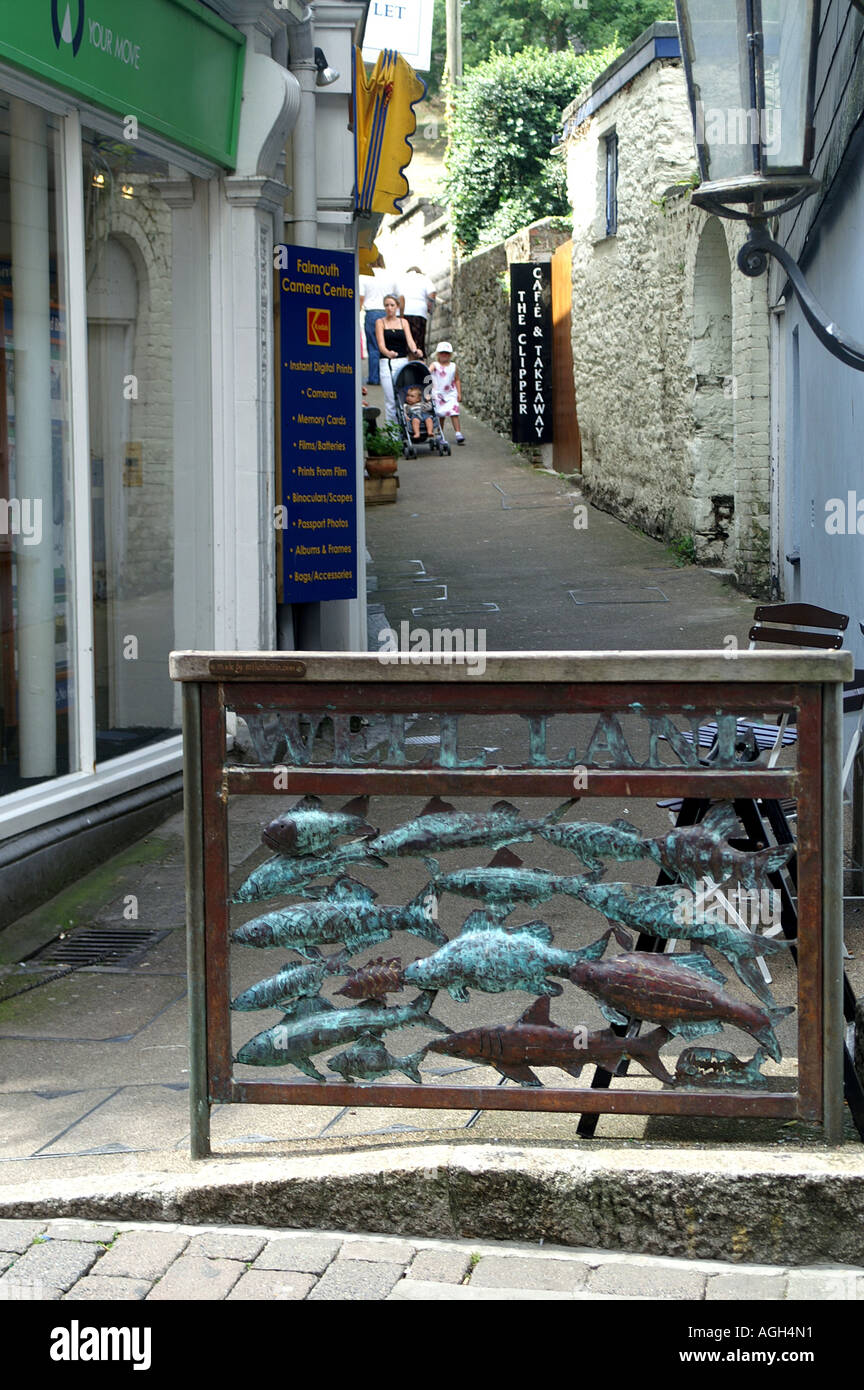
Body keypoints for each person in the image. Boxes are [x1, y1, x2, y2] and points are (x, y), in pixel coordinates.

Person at [375, 295, 421, 422]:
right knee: (390, 399)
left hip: (402, 362)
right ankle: (393, 436)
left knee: (402, 397)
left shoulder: (403, 322)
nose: (389, 308)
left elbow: (410, 341)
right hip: (387, 362)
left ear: (397, 307)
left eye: (392, 305)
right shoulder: (380, 322)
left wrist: (416, 350)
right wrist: (388, 353)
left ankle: (403, 431)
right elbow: (381, 345)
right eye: (386, 305)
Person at [359, 257, 396, 386]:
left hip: (372, 313)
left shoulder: (364, 275)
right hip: (387, 313)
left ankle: (374, 378)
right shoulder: (390, 275)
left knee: (374, 347)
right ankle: (386, 376)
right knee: (386, 346)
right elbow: (396, 296)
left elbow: (361, 298)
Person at [397, 266, 436, 358]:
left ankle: (405, 362)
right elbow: (432, 294)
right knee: (417, 341)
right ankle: (416, 362)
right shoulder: (424, 278)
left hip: (402, 312)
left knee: (404, 341)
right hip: (419, 313)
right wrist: (430, 308)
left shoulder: (402, 278)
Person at [430, 341, 464, 444]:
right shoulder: (435, 365)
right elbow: (428, 371)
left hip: (450, 393)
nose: (444, 355)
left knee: (454, 412)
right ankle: (440, 433)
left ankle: (458, 433)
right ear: (438, 354)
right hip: (438, 393)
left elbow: (457, 379)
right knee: (440, 414)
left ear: (450, 355)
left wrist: (459, 393)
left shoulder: (453, 366)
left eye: (447, 353)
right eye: (442, 353)